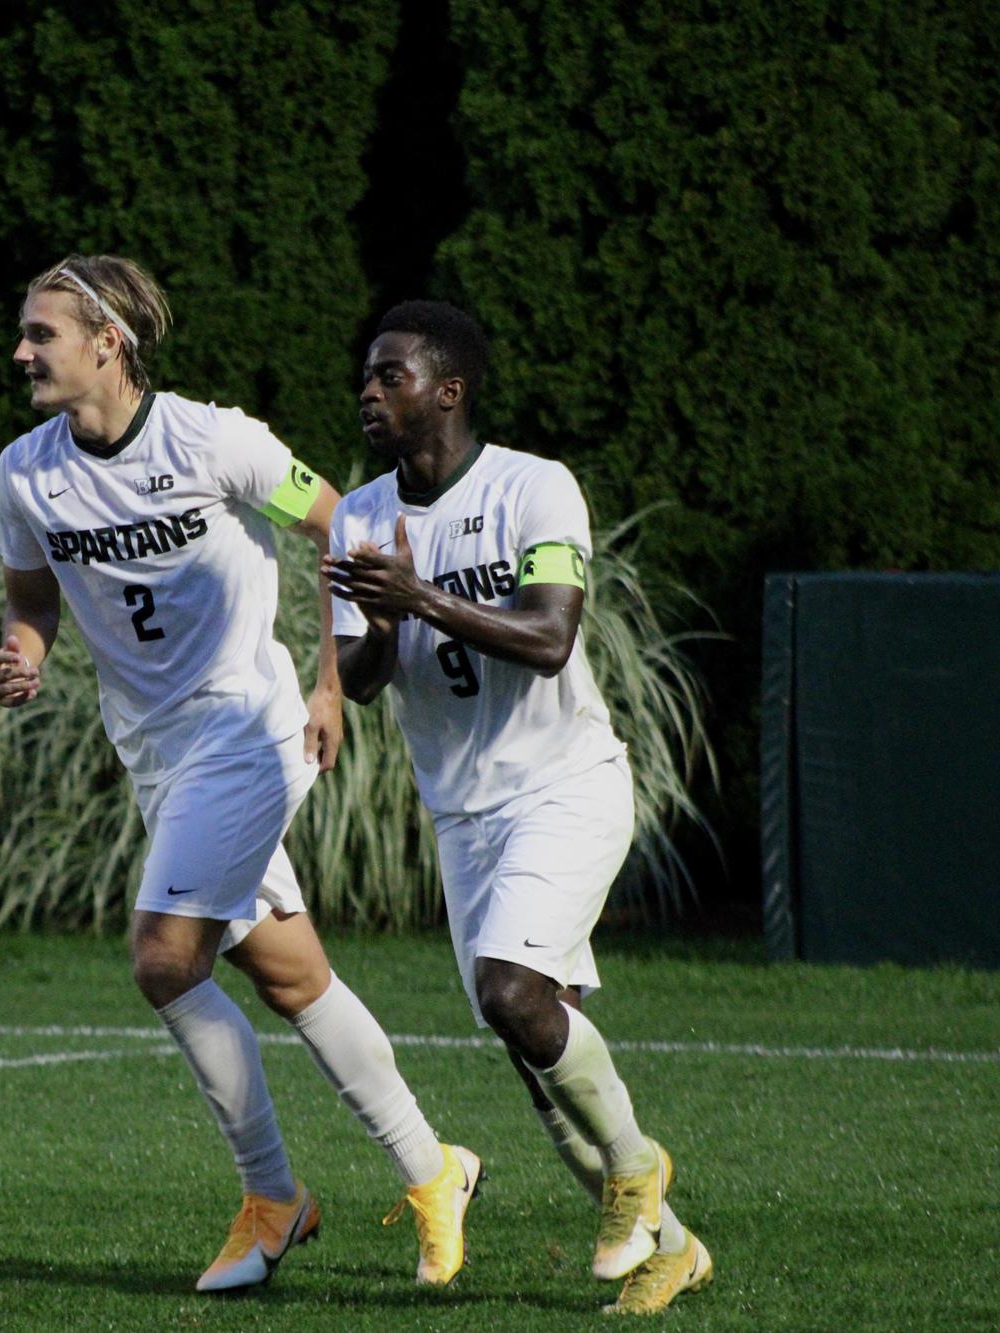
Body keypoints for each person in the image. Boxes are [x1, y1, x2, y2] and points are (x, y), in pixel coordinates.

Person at [0, 256, 480, 1292]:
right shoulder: (25, 472)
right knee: (289, 974)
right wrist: (24, 652)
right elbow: (28, 598)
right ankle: (434, 1170)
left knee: (164, 962)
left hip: (252, 732)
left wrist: (332, 681)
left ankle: (271, 1197)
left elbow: (341, 523)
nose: (21, 351)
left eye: (41, 334)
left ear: (106, 344)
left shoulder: (215, 439)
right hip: (156, 755)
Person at [322, 300, 714, 1316]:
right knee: (537, 1045)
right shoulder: (361, 516)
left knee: (508, 992)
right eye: (364, 377)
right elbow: (364, 681)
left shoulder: (532, 487)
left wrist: (419, 599)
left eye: (390, 375)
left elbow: (547, 637)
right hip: (464, 817)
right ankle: (669, 1246)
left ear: (446, 390)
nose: (369, 391)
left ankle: (635, 1168)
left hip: (564, 786)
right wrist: (371, 622)